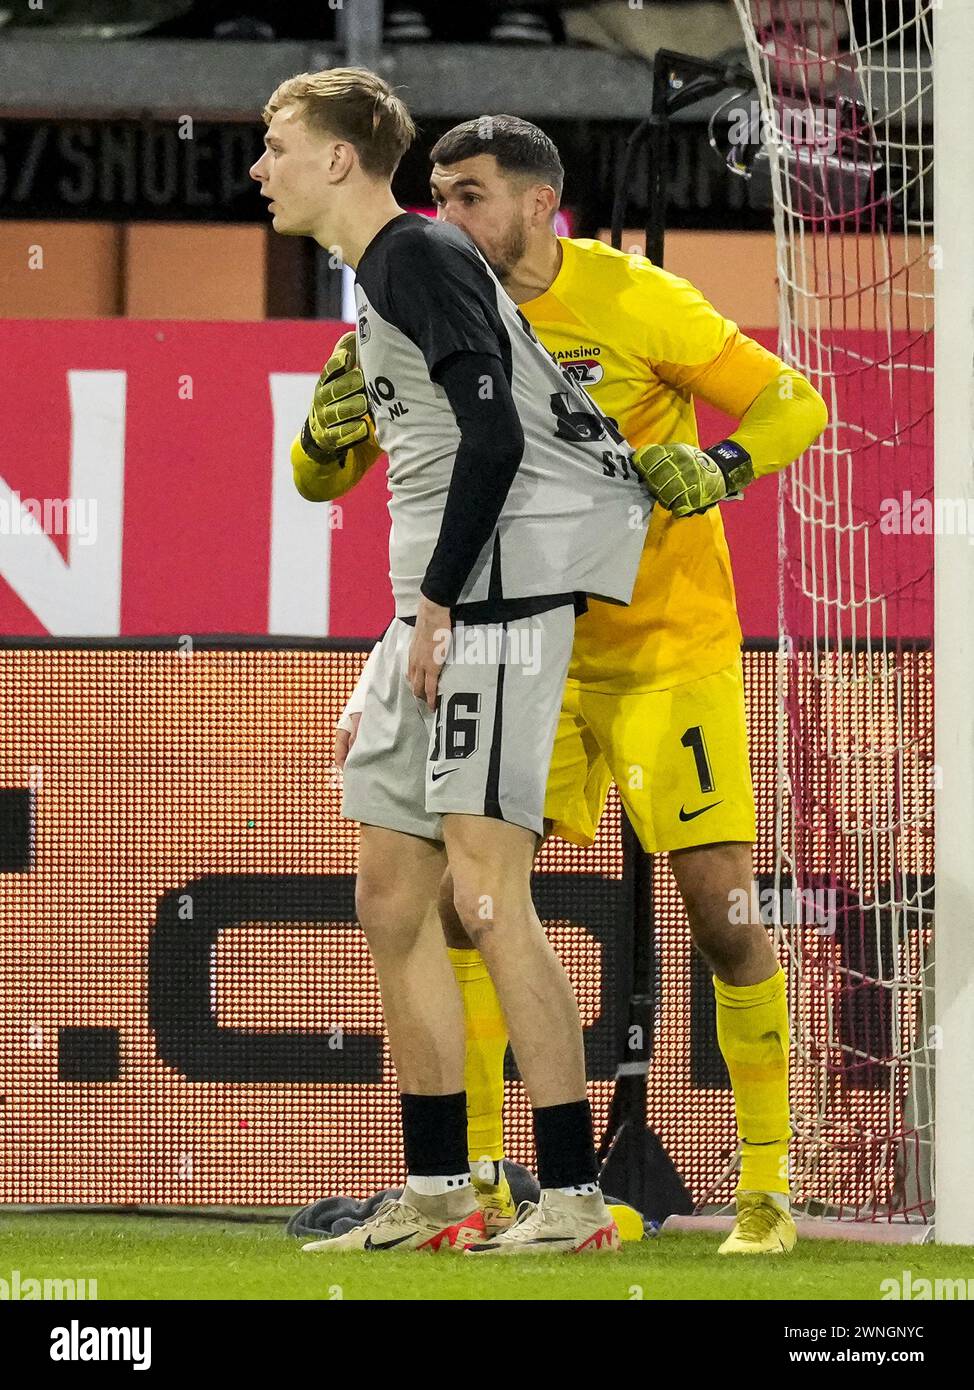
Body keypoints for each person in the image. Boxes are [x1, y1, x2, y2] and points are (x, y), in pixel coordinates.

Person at [311, 115, 828, 1255]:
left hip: (659, 649)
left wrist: (722, 462)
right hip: (517, 646)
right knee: (465, 901)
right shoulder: (426, 290)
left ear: (543, 203)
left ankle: (765, 1182)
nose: (448, 214)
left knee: (720, 904)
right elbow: (322, 468)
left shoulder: (637, 299)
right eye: (438, 192)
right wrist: (320, 434)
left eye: (474, 194)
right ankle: (492, 1178)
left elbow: (794, 402)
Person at [253, 69, 653, 1255]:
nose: (260, 168)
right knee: (388, 893)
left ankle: (571, 1197)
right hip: (430, 613)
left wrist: (432, 610)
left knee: (488, 896)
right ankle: (436, 1187)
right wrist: (399, 630)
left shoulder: (418, 256)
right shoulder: (381, 272)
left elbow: (496, 433)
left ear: (336, 159)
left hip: (495, 605)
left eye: (276, 145)